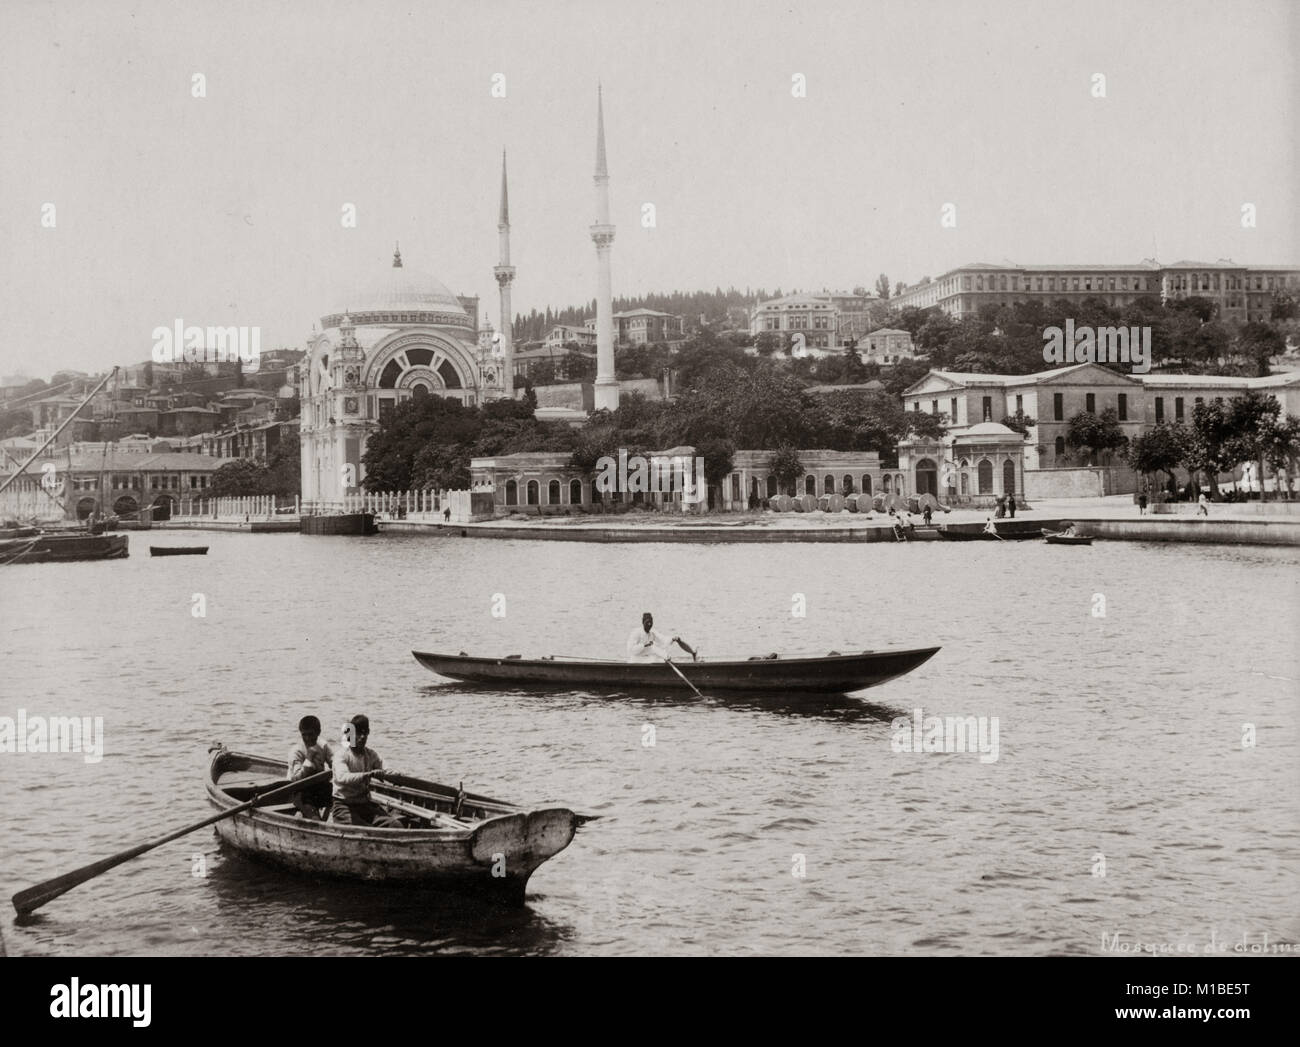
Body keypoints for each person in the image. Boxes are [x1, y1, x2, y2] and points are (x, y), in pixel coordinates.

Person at [330, 714, 402, 826]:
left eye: (365, 733)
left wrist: (395, 776)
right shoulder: (341, 755)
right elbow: (342, 777)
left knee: (395, 825)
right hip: (343, 806)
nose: (362, 737)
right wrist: (368, 775)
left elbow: (387, 769)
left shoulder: (371, 754)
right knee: (366, 829)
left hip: (364, 804)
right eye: (358, 733)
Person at [288, 715, 334, 820]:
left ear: (318, 732)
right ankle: (313, 818)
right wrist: (308, 759)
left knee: (339, 796)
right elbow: (296, 780)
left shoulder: (323, 746)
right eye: (304, 735)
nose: (308, 738)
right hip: (299, 790)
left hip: (319, 787)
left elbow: (335, 764)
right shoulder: (296, 751)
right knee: (314, 818)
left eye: (311, 734)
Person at [626, 612, 697, 663]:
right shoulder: (636, 632)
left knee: (658, 656)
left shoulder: (652, 633)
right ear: (643, 622)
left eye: (651, 623)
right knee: (653, 649)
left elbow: (663, 639)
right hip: (637, 660)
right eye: (647, 623)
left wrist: (673, 638)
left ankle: (692, 653)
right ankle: (666, 658)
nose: (649, 625)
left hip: (647, 658)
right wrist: (645, 645)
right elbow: (631, 650)